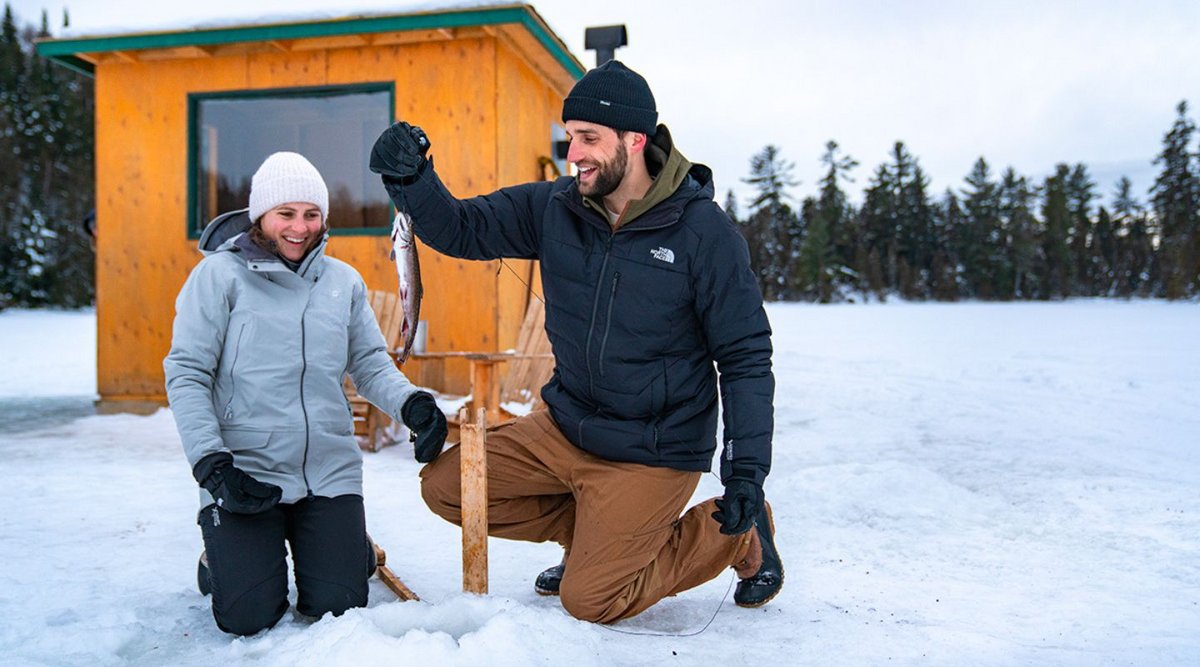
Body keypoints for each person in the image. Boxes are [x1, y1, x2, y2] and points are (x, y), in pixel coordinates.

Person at [369, 60, 781, 623]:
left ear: (635, 140)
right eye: (569, 138)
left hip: (652, 449)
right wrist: (413, 180)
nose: (574, 155)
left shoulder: (705, 236)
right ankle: (593, 537)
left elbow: (745, 360)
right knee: (448, 487)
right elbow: (463, 228)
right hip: (569, 426)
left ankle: (736, 538)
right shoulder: (554, 207)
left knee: (590, 600)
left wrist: (745, 473)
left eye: (589, 138)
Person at [163, 151, 448, 636]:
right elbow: (187, 372)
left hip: (327, 468)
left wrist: (412, 404)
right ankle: (220, 558)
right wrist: (212, 464)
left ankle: (339, 543)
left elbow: (370, 363)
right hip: (246, 470)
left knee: (338, 607)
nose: (300, 227)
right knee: (247, 616)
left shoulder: (342, 282)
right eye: (286, 214)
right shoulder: (217, 278)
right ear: (260, 217)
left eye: (312, 214)